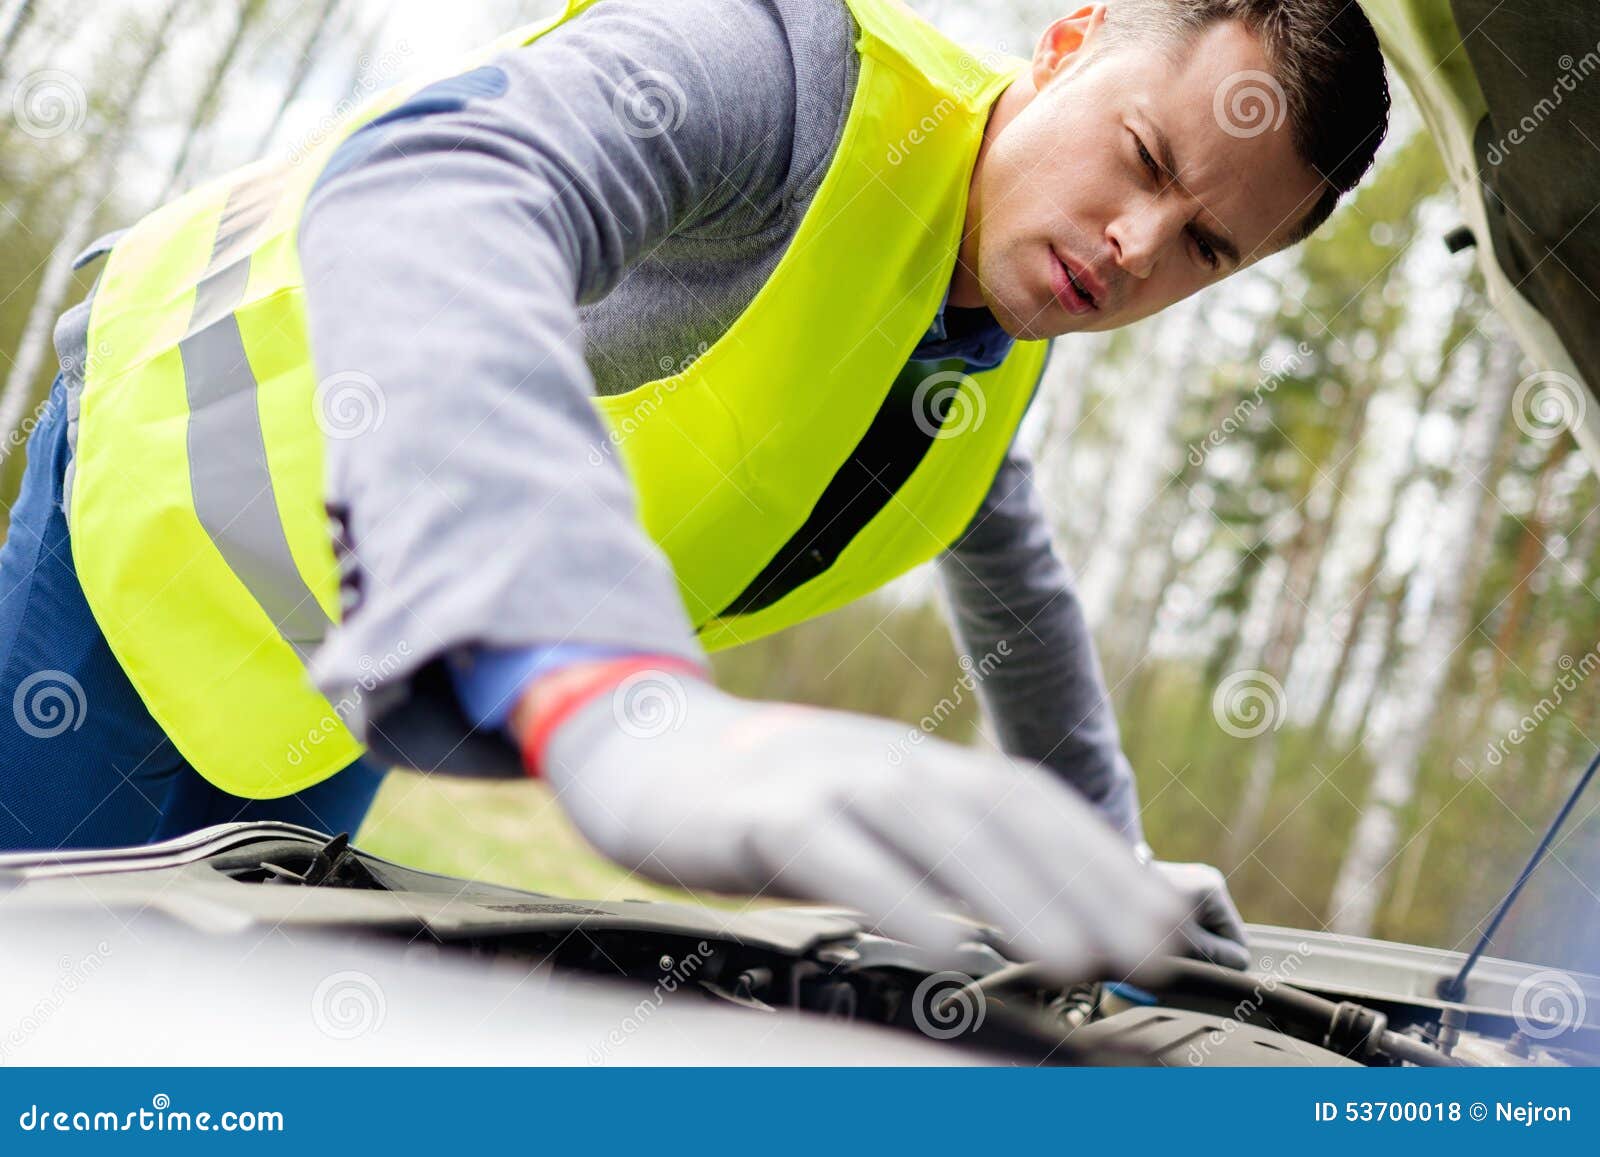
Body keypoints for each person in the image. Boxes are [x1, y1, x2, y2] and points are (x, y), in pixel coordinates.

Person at [0, 0, 1389, 978]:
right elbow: (430, 186)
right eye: (1145, 159)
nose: (1137, 245)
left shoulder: (988, 340)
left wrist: (1106, 862)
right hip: (132, 537)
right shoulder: (783, 68)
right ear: (1072, 39)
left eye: (1205, 248)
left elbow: (1006, 568)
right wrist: (594, 681)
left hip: (338, 687)